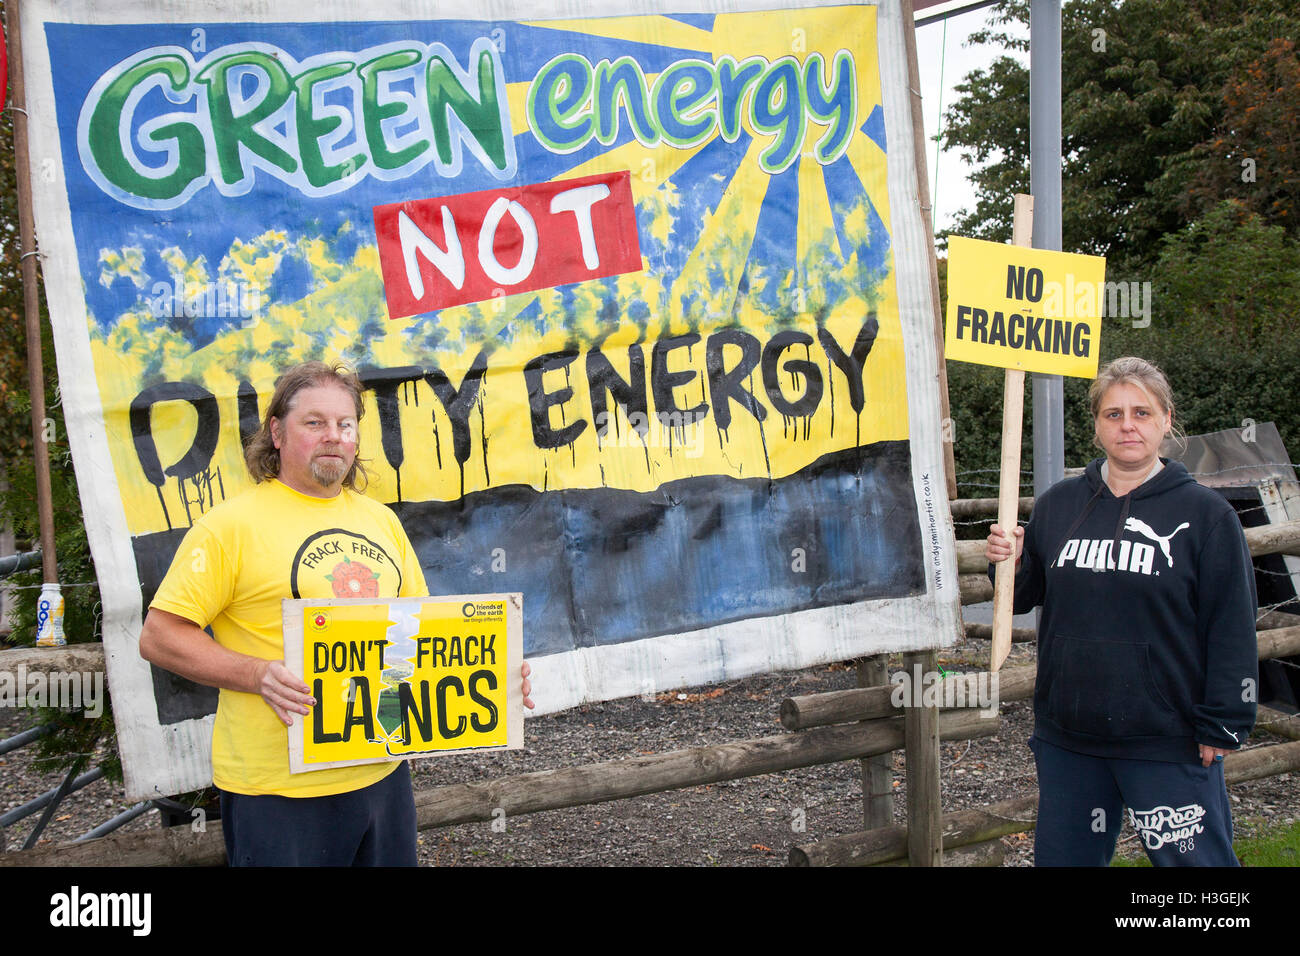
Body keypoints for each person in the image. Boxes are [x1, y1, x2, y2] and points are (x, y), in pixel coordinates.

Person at [139, 361, 533, 866]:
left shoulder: (381, 521)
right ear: (277, 433)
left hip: (382, 774)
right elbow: (160, 636)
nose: (334, 436)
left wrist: (494, 675)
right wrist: (256, 674)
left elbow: (419, 634)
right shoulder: (228, 527)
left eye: (345, 424)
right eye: (315, 422)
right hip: (278, 789)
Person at [985, 356, 1257, 866]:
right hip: (1070, 738)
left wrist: (1223, 721)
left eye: (1141, 413)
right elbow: (1020, 598)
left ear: (1166, 420)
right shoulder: (1059, 505)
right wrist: (1011, 563)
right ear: (1096, 425)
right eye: (1113, 414)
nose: (1127, 425)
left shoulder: (1207, 517)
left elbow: (1232, 627)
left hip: (1166, 738)